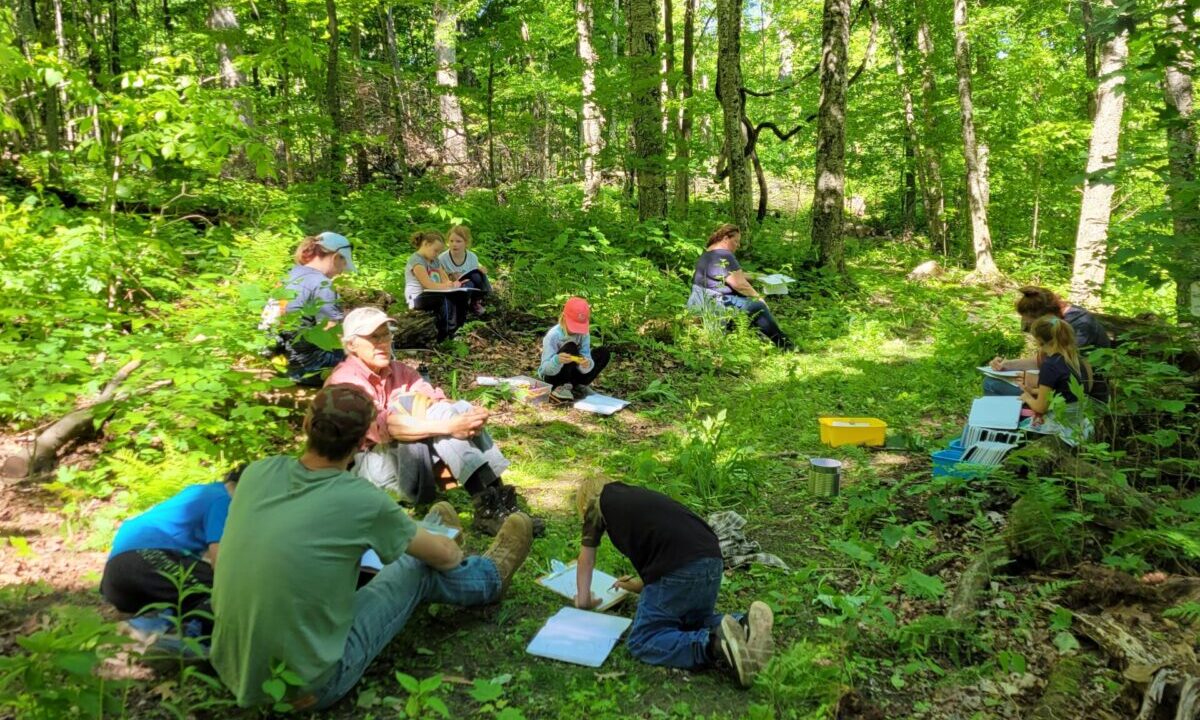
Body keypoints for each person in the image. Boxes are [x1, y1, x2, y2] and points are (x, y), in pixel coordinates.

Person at [211, 384, 534, 710]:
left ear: (307, 424)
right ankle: (491, 574)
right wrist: (439, 547)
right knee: (418, 566)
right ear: (362, 440)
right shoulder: (360, 499)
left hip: (232, 667)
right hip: (308, 687)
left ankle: (432, 531)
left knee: (377, 555)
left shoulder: (257, 473)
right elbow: (447, 559)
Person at [326, 307, 543, 536]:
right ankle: (490, 508)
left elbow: (438, 401)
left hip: (410, 461)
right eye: (373, 337)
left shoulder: (398, 371)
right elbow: (387, 428)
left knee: (459, 409)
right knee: (443, 419)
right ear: (351, 345)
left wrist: (470, 417)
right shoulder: (347, 381)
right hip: (368, 472)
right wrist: (451, 426)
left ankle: (498, 504)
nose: (382, 342)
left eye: (386, 334)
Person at [574, 476, 775, 688]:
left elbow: (586, 558)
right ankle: (743, 625)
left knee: (642, 640)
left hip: (679, 568)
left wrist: (584, 600)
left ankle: (715, 644)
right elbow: (668, 556)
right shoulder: (641, 499)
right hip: (712, 560)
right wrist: (635, 585)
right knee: (691, 622)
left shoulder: (596, 502)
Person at [101, 465, 244, 633]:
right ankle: (186, 638)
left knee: (194, 590)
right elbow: (220, 562)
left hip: (117, 580)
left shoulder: (201, 491)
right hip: (144, 560)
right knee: (230, 590)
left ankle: (149, 626)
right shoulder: (223, 499)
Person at [260, 232, 356, 386]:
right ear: (336, 257)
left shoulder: (287, 276)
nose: (342, 271)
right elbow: (331, 333)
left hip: (280, 364)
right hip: (309, 368)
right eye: (344, 264)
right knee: (370, 349)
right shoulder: (321, 283)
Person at [985, 286, 1110, 396]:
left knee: (991, 385)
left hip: (1080, 395)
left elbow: (1072, 373)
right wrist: (1007, 365)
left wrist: (1035, 379)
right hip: (1061, 388)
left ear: (1045, 318)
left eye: (1031, 324)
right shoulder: (1059, 321)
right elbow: (1042, 360)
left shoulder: (1079, 326)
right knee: (992, 381)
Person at [686, 223, 794, 349]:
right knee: (757, 306)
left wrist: (758, 276)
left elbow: (730, 275)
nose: (738, 245)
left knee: (749, 306)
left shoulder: (708, 254)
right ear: (726, 238)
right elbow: (739, 284)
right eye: (736, 241)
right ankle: (785, 344)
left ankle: (760, 338)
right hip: (717, 302)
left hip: (702, 301)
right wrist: (759, 298)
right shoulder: (724, 255)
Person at [1019, 315, 1106, 415]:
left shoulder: (1050, 365)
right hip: (1080, 418)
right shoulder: (1078, 360)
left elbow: (1041, 408)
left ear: (1039, 340)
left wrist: (1027, 397)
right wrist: (1033, 391)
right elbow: (1065, 391)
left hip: (1061, 420)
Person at [538, 296, 612, 402]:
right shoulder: (553, 335)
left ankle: (577, 386)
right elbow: (545, 370)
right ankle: (561, 386)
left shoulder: (584, 334)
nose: (576, 331)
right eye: (574, 325)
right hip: (554, 376)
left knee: (603, 353)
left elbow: (586, 357)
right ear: (564, 317)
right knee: (571, 346)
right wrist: (557, 360)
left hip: (573, 373)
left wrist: (586, 364)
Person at [405, 230, 471, 340]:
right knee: (443, 299)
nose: (437, 254)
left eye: (439, 252)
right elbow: (428, 284)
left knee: (461, 294)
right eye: (435, 251)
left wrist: (451, 284)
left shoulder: (434, 260)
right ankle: (446, 334)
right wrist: (447, 286)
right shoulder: (416, 260)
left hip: (432, 294)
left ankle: (460, 329)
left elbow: (444, 277)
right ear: (426, 244)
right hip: (416, 297)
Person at [438, 225, 491, 315]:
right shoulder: (442, 258)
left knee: (477, 275)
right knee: (468, 284)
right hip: (453, 289)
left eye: (458, 241)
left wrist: (481, 271)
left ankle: (476, 302)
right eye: (451, 241)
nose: (454, 244)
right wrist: (451, 277)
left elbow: (474, 276)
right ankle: (461, 307)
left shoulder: (472, 257)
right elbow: (438, 278)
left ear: (466, 243)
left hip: (470, 287)